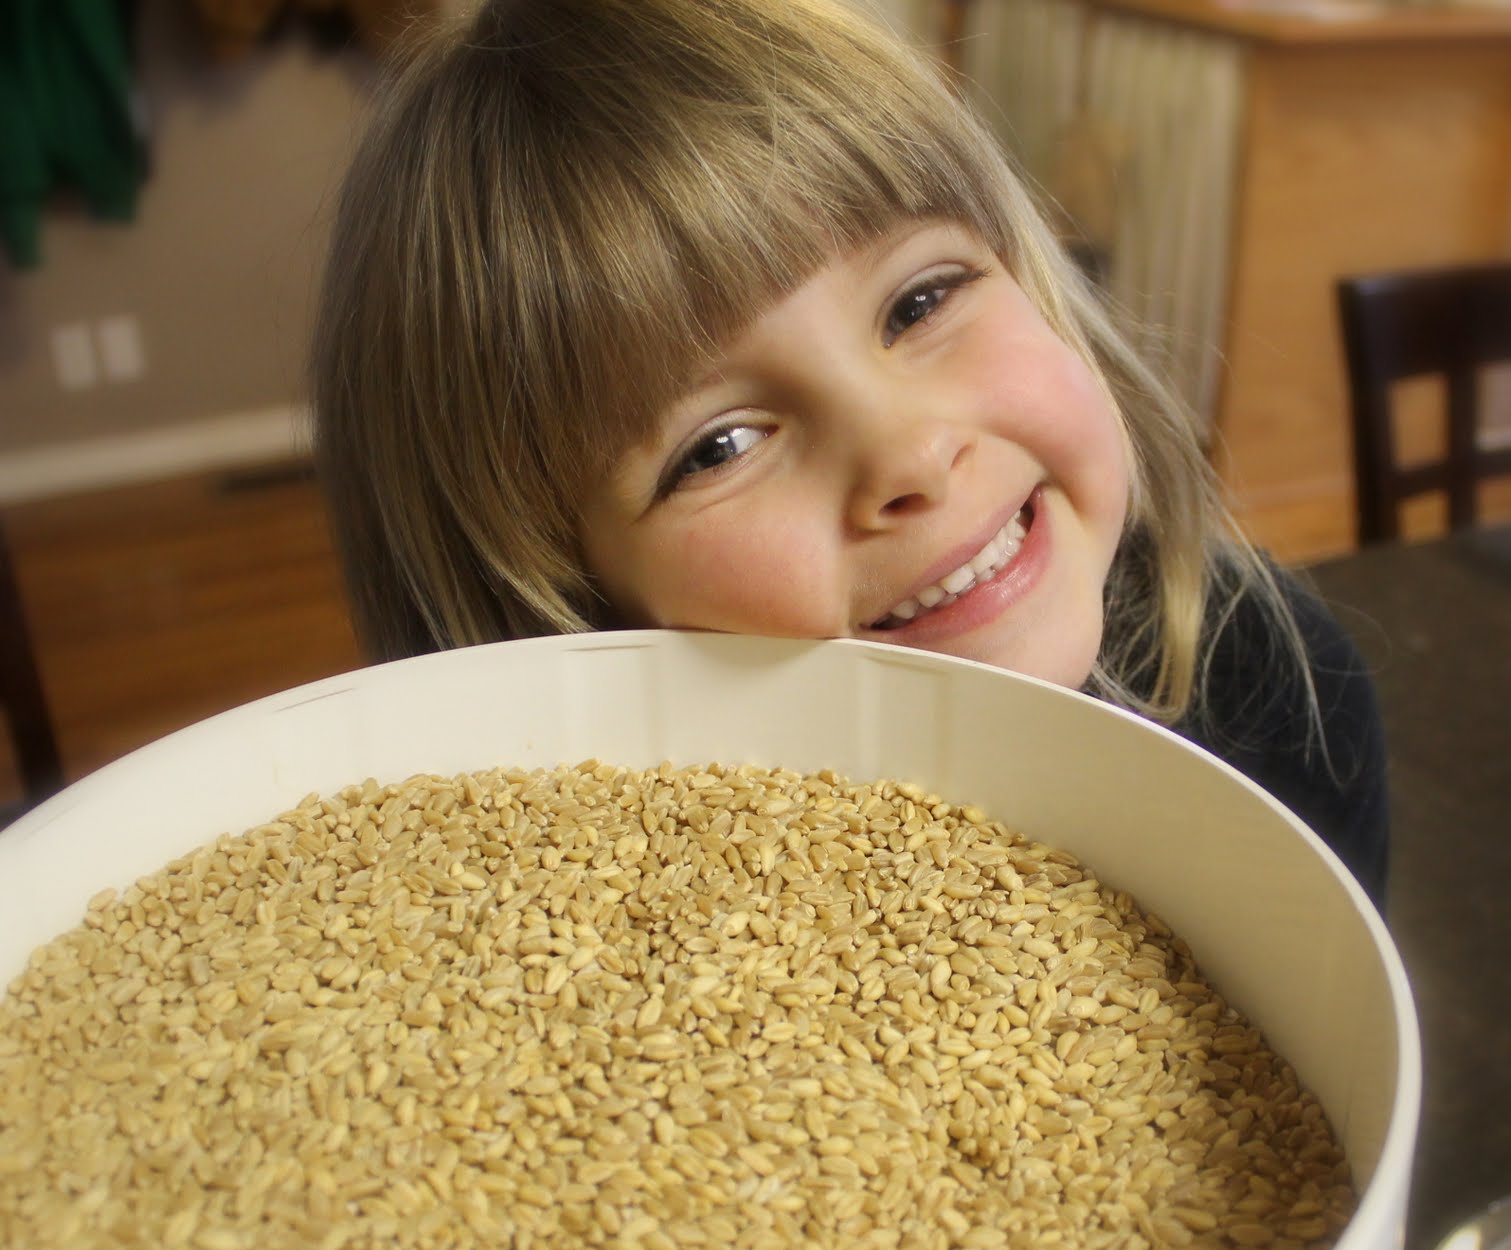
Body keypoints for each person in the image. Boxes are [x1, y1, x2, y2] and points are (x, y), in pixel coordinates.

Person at [310, 0, 1388, 906]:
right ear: (559, 612)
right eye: (717, 445)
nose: (909, 453)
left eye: (921, 299)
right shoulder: (593, 960)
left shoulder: (1275, 690)